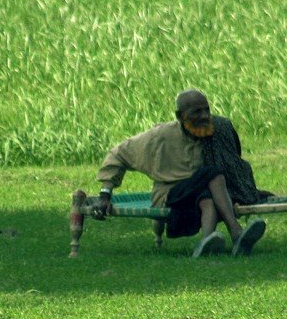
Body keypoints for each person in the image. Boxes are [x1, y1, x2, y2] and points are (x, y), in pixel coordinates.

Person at [90, 89, 269, 257]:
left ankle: (207, 242)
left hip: (202, 191)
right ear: (179, 116)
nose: (205, 116)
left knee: (207, 197)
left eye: (207, 110)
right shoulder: (160, 136)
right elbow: (118, 153)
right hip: (170, 194)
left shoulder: (218, 131)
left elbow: (233, 161)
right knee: (213, 173)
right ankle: (236, 232)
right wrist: (105, 194)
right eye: (196, 112)